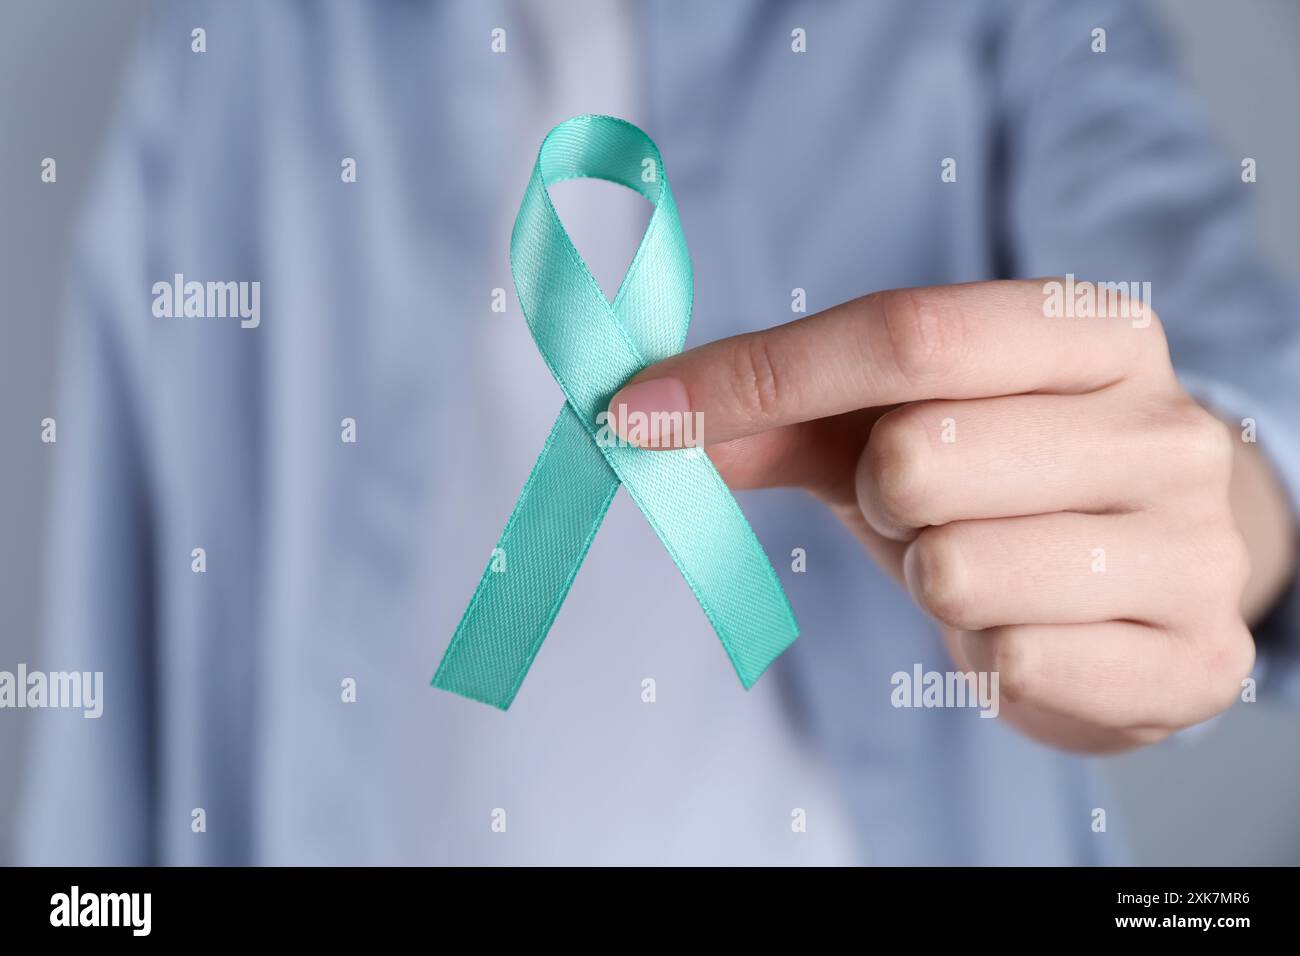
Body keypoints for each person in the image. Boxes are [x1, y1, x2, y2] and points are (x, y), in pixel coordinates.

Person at [17, 0, 1299, 865]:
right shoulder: (238, 54)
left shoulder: (994, 24)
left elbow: (1223, 363)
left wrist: (1224, 522)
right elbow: (116, 674)